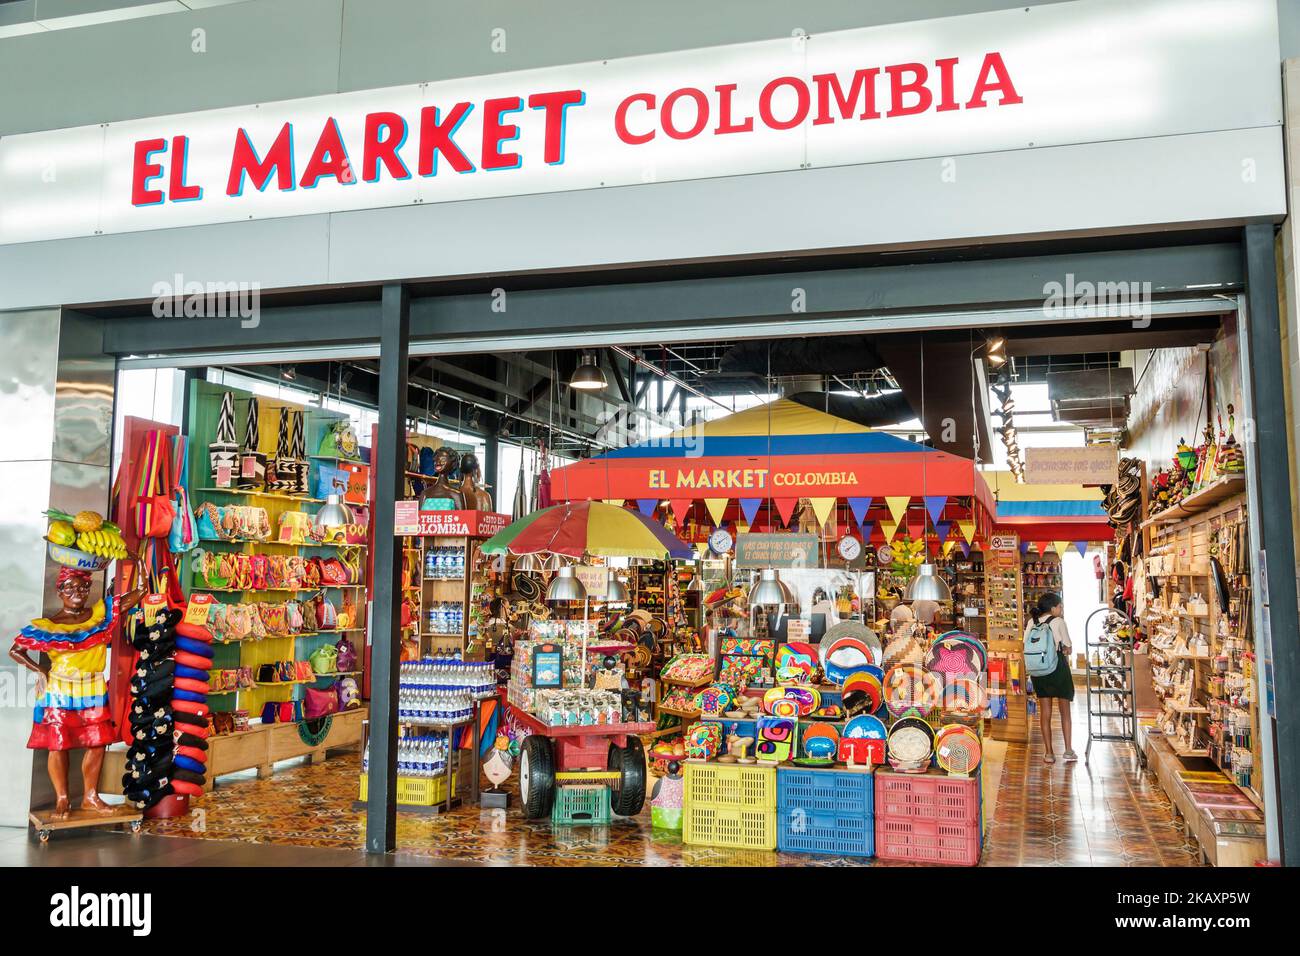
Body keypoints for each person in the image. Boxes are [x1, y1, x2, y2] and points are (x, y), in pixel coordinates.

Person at [1026, 591, 1076, 763]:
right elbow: (1068, 647)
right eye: (1060, 606)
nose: (1061, 609)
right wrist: (1065, 649)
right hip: (1057, 669)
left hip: (1038, 670)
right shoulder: (1059, 622)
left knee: (1045, 712)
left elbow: (1025, 644)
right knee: (1065, 712)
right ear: (1053, 608)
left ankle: (1048, 753)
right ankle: (1068, 750)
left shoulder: (1031, 622)